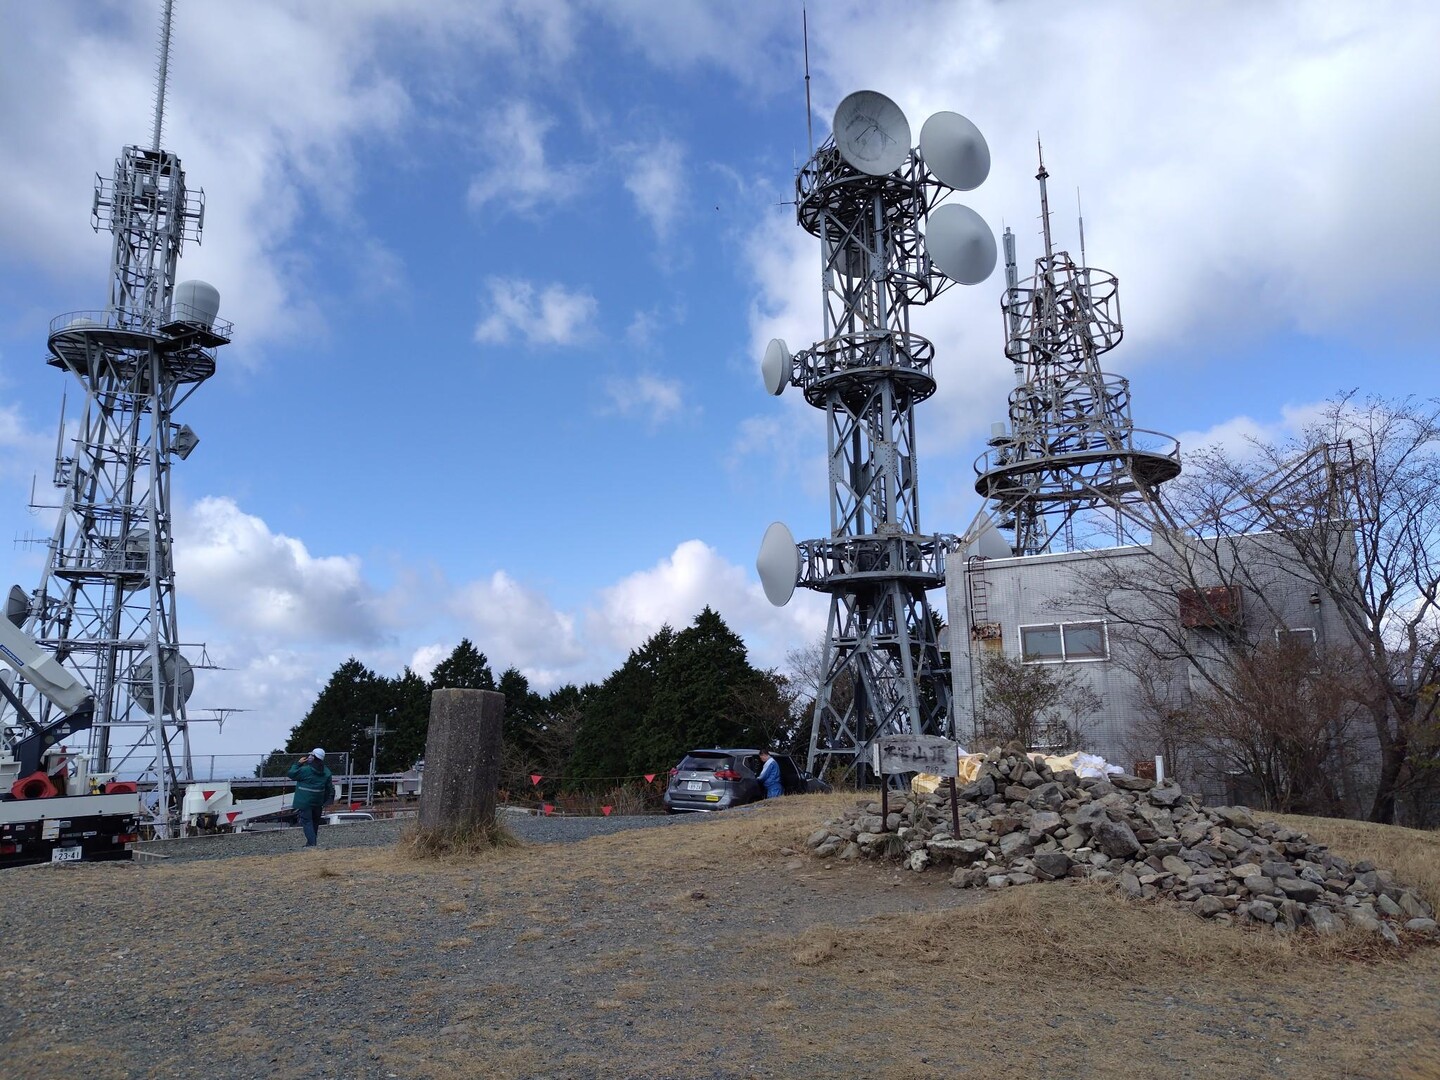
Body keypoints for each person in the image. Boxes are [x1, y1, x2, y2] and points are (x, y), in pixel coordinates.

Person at [288, 748, 333, 847]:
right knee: (315, 822)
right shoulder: (327, 772)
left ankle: (312, 844)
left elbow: (291, 774)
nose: (309, 757)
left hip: (304, 802)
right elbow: (329, 789)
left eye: (310, 755)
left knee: (307, 822)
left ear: (313, 757)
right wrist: (323, 801)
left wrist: (298, 763)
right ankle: (311, 842)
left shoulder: (305, 770)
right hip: (318, 802)